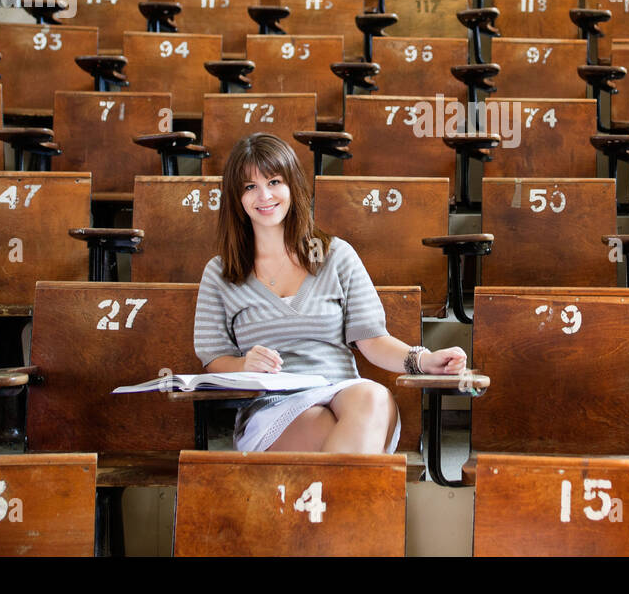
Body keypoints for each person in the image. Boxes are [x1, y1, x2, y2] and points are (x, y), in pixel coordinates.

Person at [193, 132, 467, 453]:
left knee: (374, 396)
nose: (264, 195)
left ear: (292, 186)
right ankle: (355, 501)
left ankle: (331, 500)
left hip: (342, 391)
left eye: (274, 181)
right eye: (250, 187)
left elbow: (373, 341)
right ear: (236, 199)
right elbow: (213, 359)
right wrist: (244, 365)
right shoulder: (221, 272)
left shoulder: (335, 255)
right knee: (333, 429)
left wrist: (423, 360)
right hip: (273, 405)